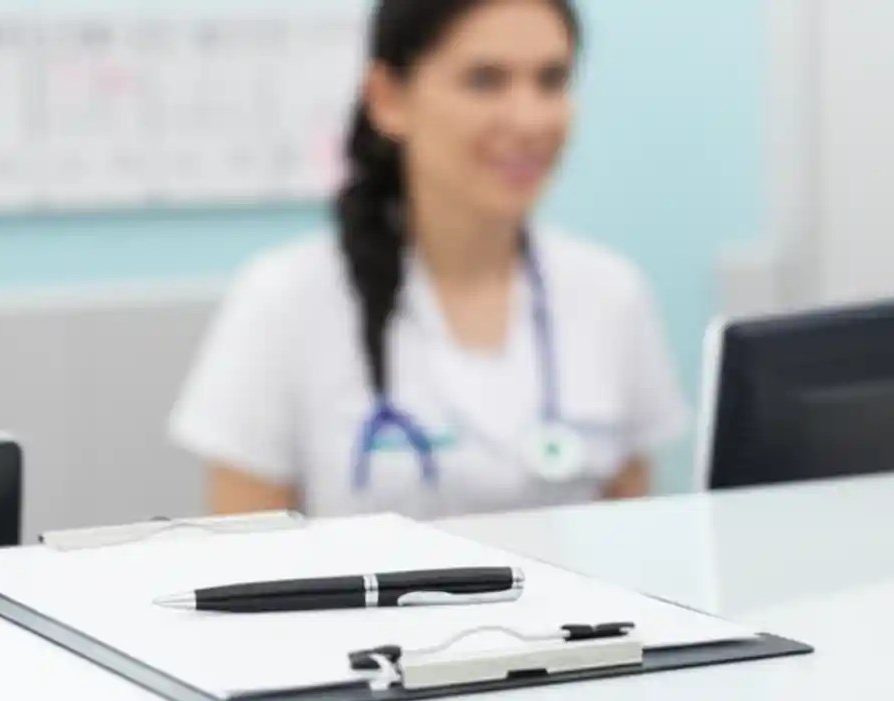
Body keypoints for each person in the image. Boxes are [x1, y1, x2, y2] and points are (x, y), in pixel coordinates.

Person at [169, 0, 688, 519]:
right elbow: (246, 568)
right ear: (389, 99)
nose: (530, 119)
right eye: (485, 80)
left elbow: (632, 541)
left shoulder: (611, 293)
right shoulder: (284, 302)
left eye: (551, 80)